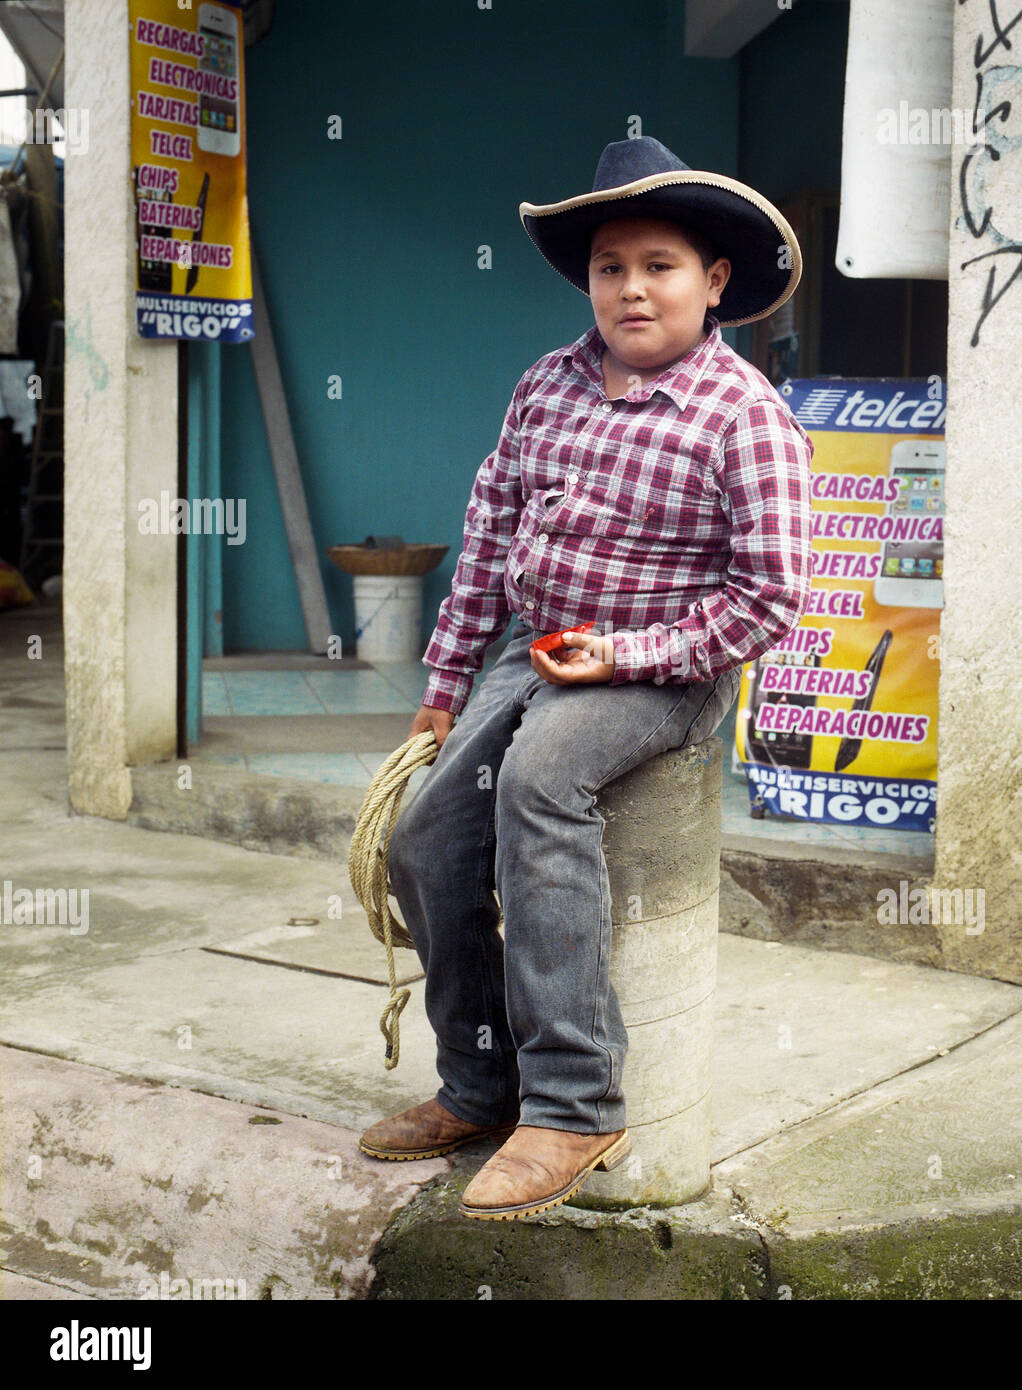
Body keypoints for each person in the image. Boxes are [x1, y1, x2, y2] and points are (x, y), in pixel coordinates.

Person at [358, 136, 814, 1221]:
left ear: (713, 284)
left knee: (538, 784)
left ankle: (572, 1100)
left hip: (666, 658)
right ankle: (478, 1082)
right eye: (610, 265)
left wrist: (626, 657)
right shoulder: (545, 386)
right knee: (423, 838)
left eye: (658, 264)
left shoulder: (743, 415)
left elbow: (765, 605)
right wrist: (446, 677)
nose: (630, 287)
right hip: (535, 642)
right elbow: (489, 533)